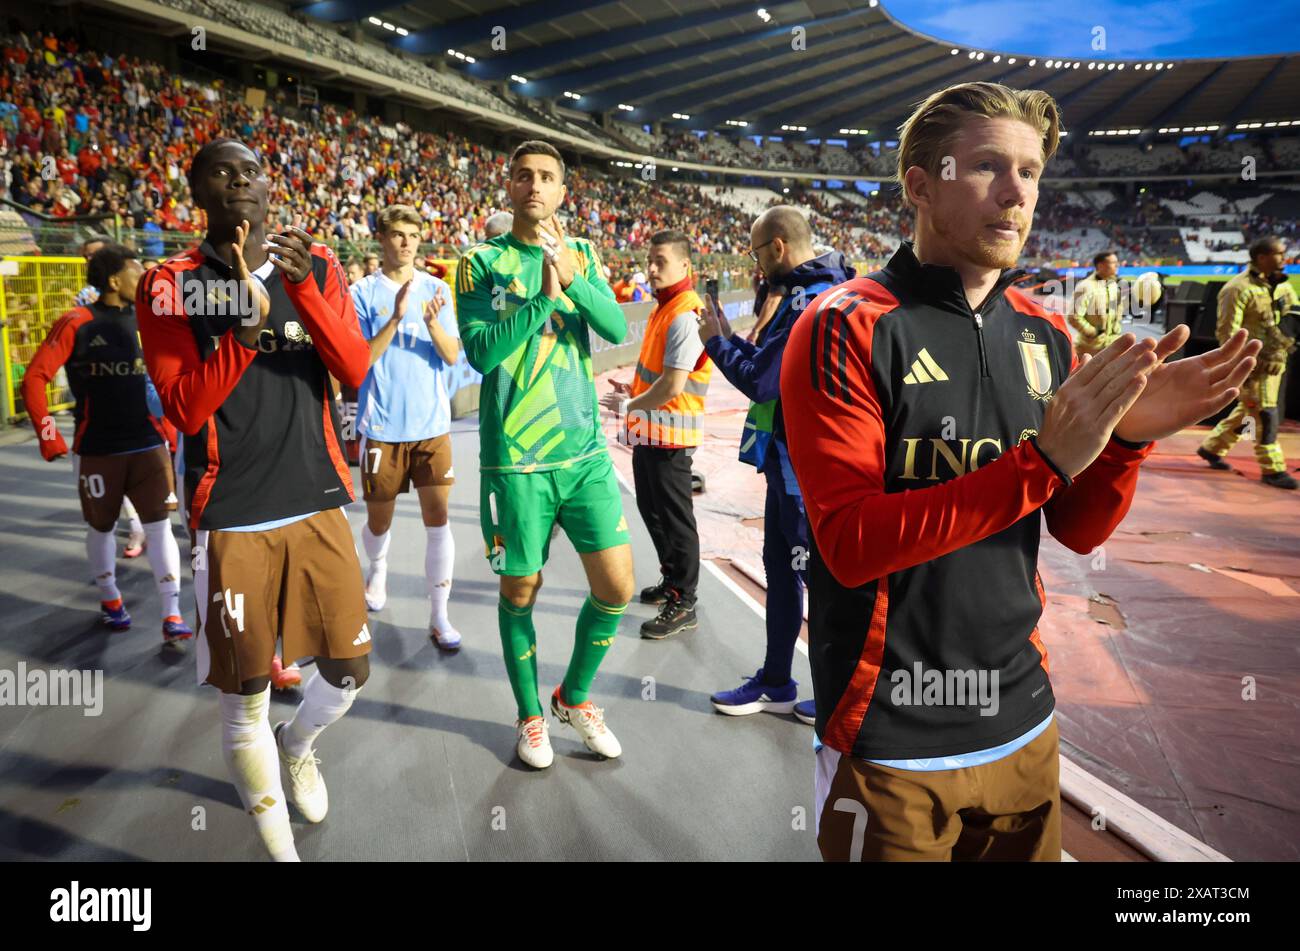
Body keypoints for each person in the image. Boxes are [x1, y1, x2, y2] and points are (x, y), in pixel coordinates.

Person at [779, 82, 1259, 861]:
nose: (1017, 194)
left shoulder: (1047, 331)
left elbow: (1076, 528)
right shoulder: (844, 325)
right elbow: (851, 542)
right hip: (891, 737)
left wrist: (1126, 440)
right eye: (988, 167)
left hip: (1024, 723)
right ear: (919, 185)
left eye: (1032, 172)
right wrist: (1041, 463)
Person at [137, 138, 373, 861]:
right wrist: (241, 335)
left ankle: (298, 746)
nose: (239, 179)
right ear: (198, 193)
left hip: (317, 498)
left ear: (271, 187)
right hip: (234, 513)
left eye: (252, 170)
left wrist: (300, 292)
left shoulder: (320, 263)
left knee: (349, 674)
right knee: (244, 693)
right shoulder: (170, 284)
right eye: (221, 172)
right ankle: (281, 851)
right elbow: (180, 407)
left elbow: (356, 368)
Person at [456, 140, 633, 769]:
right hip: (514, 462)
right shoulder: (479, 263)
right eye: (524, 175)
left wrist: (573, 280)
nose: (535, 185)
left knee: (617, 585)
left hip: (582, 451)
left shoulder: (581, 251)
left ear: (563, 192)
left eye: (547, 178)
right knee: (521, 589)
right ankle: (531, 715)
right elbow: (480, 354)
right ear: (509, 186)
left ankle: (573, 698)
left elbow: (615, 328)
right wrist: (542, 298)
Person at [700, 207, 853, 725]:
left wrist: (716, 343)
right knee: (785, 571)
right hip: (800, 464)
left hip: (803, 471)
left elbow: (764, 385)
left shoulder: (808, 301)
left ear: (780, 247)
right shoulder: (833, 288)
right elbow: (775, 370)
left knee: (815, 578)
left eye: (758, 254)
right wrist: (736, 342)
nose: (758, 267)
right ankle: (778, 680)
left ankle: (834, 696)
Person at [22, 243, 192, 646]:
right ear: (115, 280)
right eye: (136, 271)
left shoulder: (151, 320)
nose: (143, 278)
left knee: (158, 525)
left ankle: (172, 611)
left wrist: (171, 429)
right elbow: (34, 379)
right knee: (100, 526)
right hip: (97, 449)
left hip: (148, 446)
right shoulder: (76, 322)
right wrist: (49, 436)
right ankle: (110, 598)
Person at [350, 204, 462, 647]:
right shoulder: (361, 292)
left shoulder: (437, 289)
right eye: (397, 234)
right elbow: (357, 365)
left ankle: (440, 616)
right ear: (381, 238)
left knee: (440, 519)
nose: (406, 242)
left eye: (413, 235)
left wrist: (432, 324)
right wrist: (395, 318)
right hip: (381, 428)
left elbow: (452, 356)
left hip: (432, 427)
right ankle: (378, 570)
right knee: (379, 522)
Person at [600, 229, 711, 639]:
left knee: (676, 520)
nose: (651, 268)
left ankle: (684, 602)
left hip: (672, 438)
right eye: (649, 260)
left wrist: (629, 405)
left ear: (686, 265)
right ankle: (672, 582)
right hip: (650, 434)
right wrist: (630, 395)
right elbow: (653, 376)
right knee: (653, 512)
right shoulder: (663, 307)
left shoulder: (684, 312)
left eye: (660, 260)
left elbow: (673, 385)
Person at [1197, 236, 1298, 489]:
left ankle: (1212, 448)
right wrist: (1242, 364)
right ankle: (1272, 469)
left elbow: (1293, 319)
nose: (1284, 257)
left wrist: (1284, 348)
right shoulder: (1236, 289)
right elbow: (1227, 334)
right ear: (1262, 257)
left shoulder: (1284, 286)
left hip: (1277, 362)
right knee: (1265, 413)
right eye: (1279, 253)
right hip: (1252, 364)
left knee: (1250, 409)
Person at [1068, 250, 1122, 358]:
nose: (1117, 265)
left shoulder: (1113, 286)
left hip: (1112, 346)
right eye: (1113, 262)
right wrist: (1093, 333)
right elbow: (1073, 317)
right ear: (1101, 265)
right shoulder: (1085, 286)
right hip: (1090, 349)